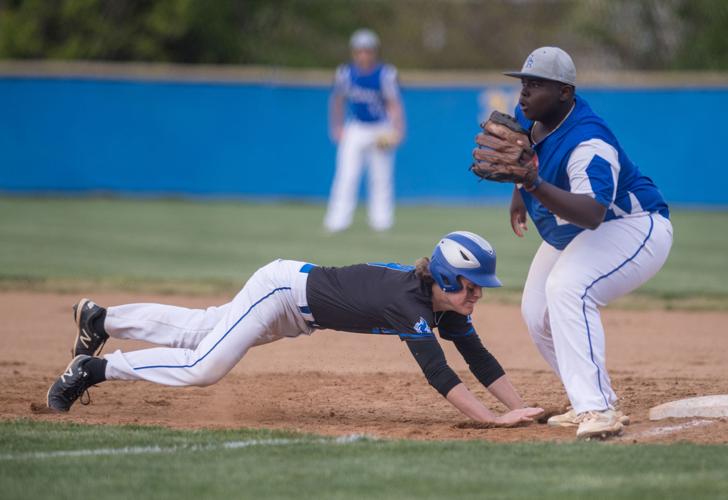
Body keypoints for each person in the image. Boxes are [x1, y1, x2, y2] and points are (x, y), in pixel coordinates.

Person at [47, 231, 543, 427]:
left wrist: (517, 408)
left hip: (295, 307)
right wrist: (491, 420)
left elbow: (478, 359)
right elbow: (440, 374)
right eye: (470, 287)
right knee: (204, 366)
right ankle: (92, 369)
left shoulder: (444, 304)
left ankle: (100, 319)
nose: (476, 296)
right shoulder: (407, 301)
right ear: (445, 276)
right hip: (282, 291)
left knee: (204, 329)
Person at [473, 47, 673, 439]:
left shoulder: (588, 142)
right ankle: (592, 397)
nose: (524, 93)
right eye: (523, 83)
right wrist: (520, 194)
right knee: (537, 312)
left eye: (536, 85)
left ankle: (596, 408)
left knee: (568, 288)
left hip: (634, 225)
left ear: (565, 92)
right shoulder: (526, 119)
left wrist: (533, 185)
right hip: (579, 230)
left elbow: (592, 213)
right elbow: (523, 157)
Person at [323, 28, 405, 233]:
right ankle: (337, 221)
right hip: (357, 127)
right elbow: (337, 101)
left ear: (374, 52)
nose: (364, 55)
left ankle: (382, 222)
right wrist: (337, 126)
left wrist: (398, 129)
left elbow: (394, 103)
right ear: (354, 52)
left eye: (367, 51)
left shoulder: (385, 73)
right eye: (360, 51)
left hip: (380, 128)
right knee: (346, 175)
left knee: (381, 177)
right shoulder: (345, 73)